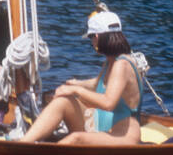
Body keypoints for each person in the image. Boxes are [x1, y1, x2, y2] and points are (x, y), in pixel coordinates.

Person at [19, 10, 143, 146]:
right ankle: (23, 144)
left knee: (75, 138)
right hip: (101, 127)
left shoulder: (122, 65)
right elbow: (99, 83)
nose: (92, 43)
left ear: (96, 36)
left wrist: (76, 91)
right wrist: (76, 84)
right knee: (63, 102)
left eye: (91, 39)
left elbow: (108, 103)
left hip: (123, 136)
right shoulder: (110, 61)